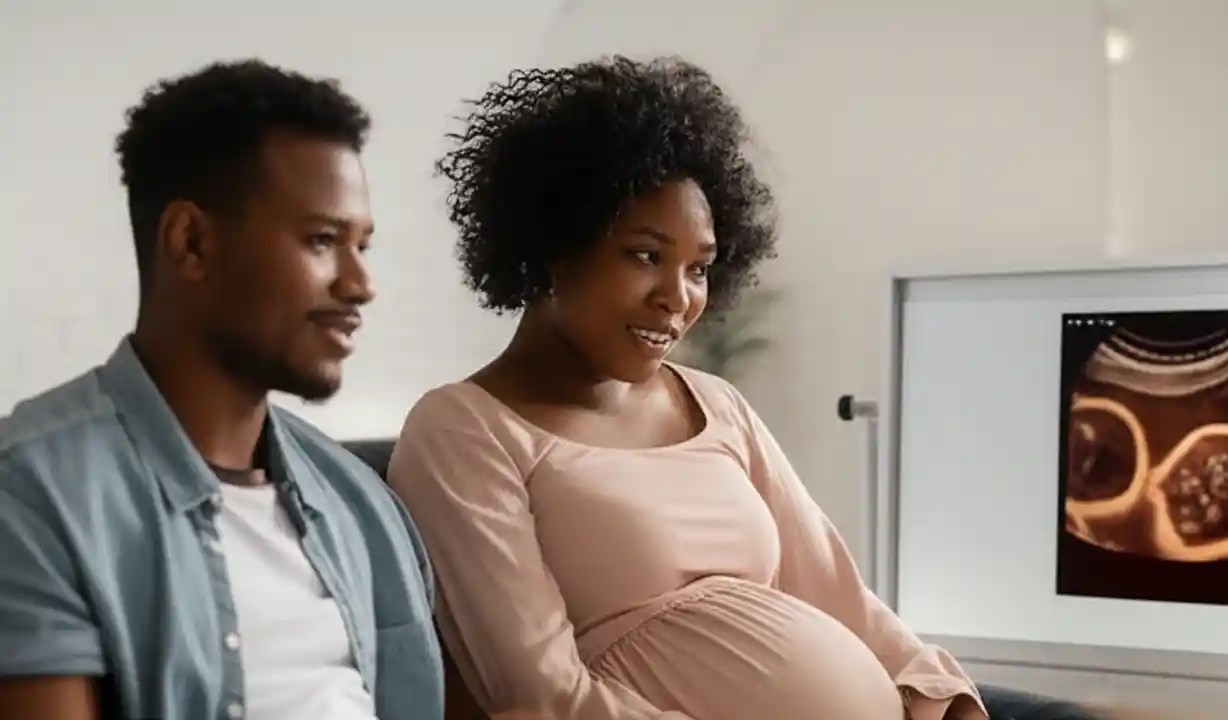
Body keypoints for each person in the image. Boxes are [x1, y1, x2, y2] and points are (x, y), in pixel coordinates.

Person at [385, 54, 986, 720]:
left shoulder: (716, 403)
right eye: (645, 256)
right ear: (557, 249)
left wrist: (939, 694)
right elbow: (542, 695)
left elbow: (838, 595)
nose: (678, 298)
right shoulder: (465, 430)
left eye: (698, 268)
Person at [0, 59, 444, 720]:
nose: (360, 285)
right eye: (322, 240)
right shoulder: (34, 494)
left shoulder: (361, 505)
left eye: (363, 246)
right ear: (192, 242)